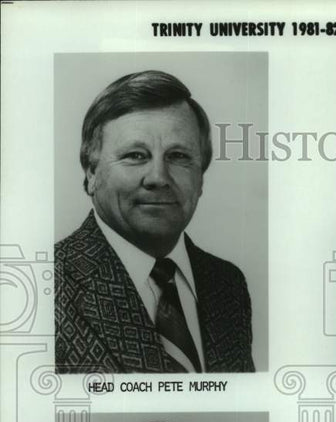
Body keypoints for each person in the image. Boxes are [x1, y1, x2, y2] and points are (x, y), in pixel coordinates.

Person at [55, 70, 255, 373]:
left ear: (201, 178)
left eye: (178, 156)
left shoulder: (228, 284)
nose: (159, 178)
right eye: (136, 155)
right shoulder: (42, 286)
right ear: (91, 172)